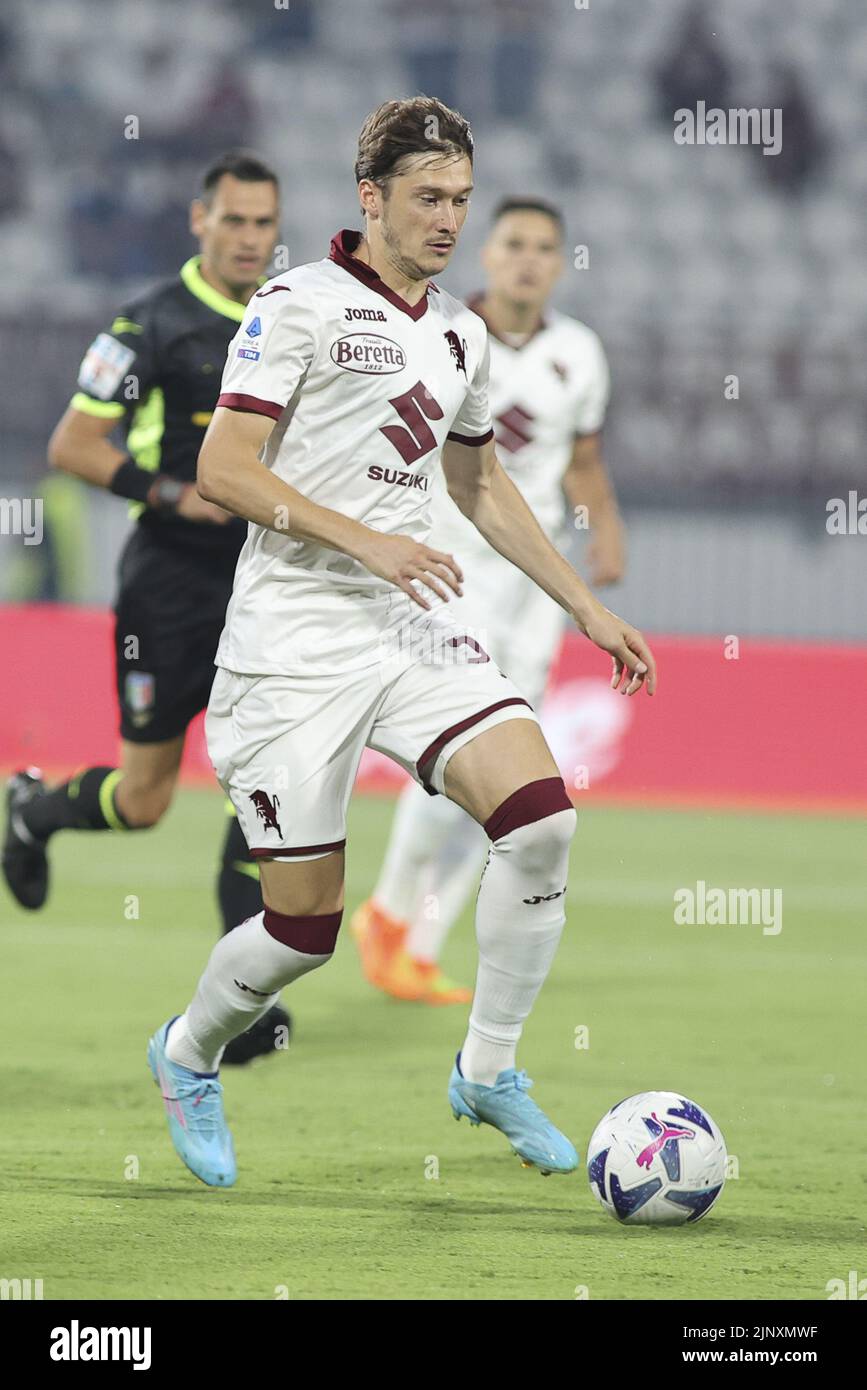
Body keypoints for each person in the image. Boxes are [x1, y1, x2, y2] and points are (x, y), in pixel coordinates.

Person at [146, 97, 655, 1189]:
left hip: (415, 627)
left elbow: (476, 480)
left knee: (540, 821)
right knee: (301, 932)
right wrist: (363, 538)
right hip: (294, 643)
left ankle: (487, 1068)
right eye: (427, 197)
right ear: (369, 196)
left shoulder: (461, 332)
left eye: (462, 200)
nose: (448, 219)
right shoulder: (297, 305)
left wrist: (581, 604)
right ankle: (187, 1052)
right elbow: (223, 471)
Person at [2, 151, 291, 1065]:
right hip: (168, 584)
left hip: (265, 583)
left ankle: (238, 1007)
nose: (250, 239)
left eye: (263, 223)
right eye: (234, 221)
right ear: (199, 222)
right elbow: (73, 445)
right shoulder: (149, 327)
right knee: (145, 798)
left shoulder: (296, 319)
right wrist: (172, 494)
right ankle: (35, 811)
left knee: (270, 783)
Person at [351, 196, 624, 1004]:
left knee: (517, 765)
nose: (529, 259)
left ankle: (419, 943)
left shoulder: (580, 351)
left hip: (533, 582)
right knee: (456, 747)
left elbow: (584, 458)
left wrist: (603, 526)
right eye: (514, 243)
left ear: (558, 260)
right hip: (449, 569)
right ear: (487, 253)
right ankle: (389, 917)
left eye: (545, 246)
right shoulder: (439, 334)